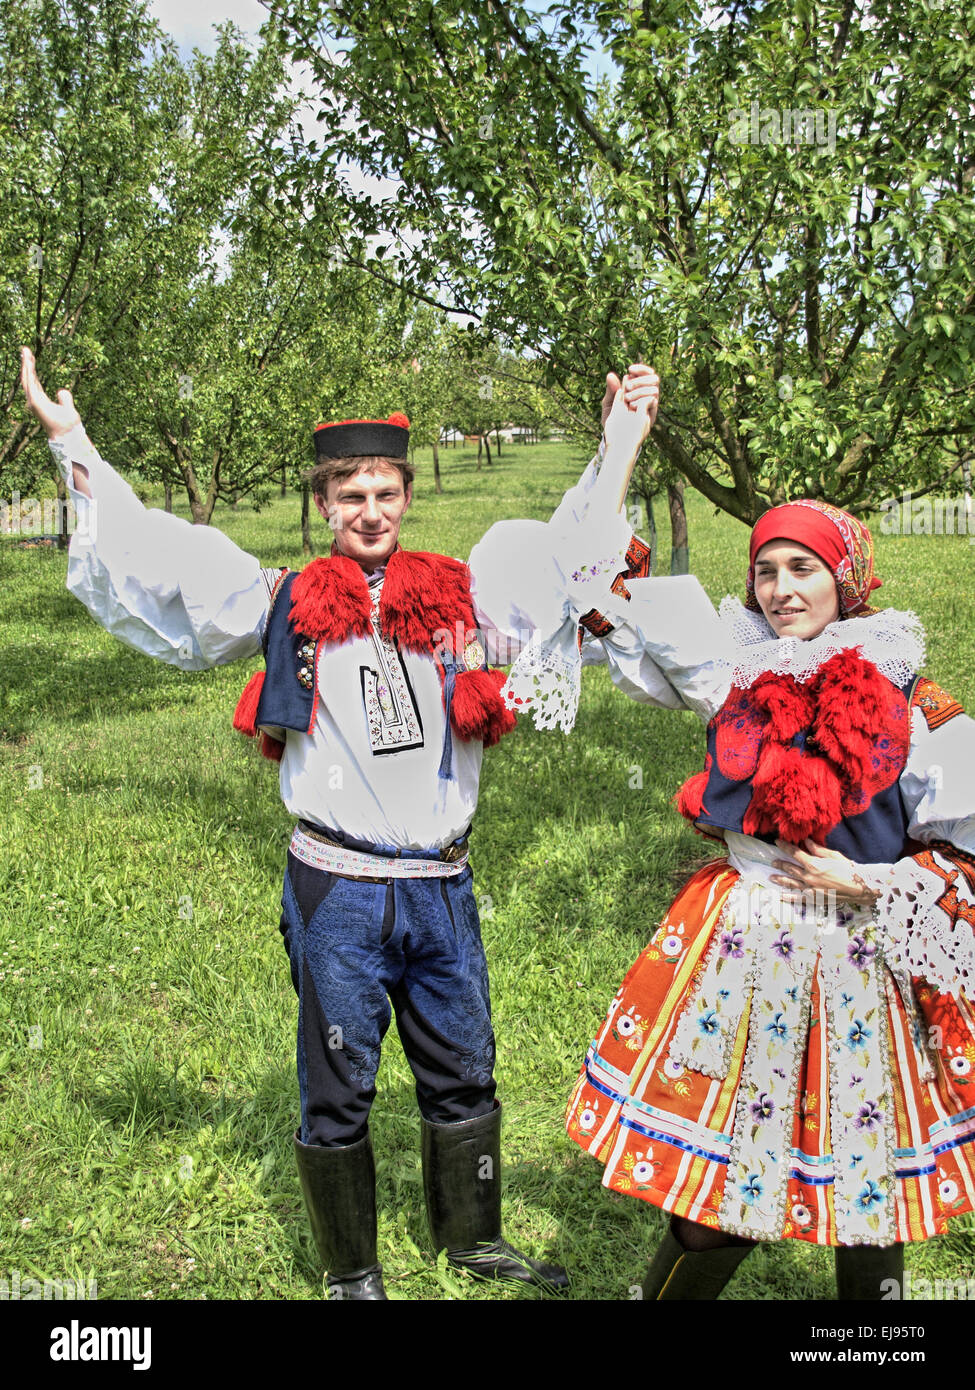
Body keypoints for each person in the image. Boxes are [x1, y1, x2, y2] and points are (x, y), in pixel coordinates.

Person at [20, 345, 658, 1301]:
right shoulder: (280, 601)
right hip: (340, 887)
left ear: (405, 497)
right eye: (350, 494)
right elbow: (153, 554)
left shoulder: (461, 603)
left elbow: (566, 553)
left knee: (464, 1062)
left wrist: (620, 443)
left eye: (385, 493)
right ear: (325, 504)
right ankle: (350, 1270)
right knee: (339, 1073)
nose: (370, 511)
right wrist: (72, 439)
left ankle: (472, 1242)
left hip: (442, 882)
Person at [564, 380, 975, 1300]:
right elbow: (595, 590)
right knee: (717, 1195)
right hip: (742, 949)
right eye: (766, 570)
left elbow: (967, 849)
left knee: (867, 1196)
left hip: (862, 959)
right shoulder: (728, 667)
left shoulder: (915, 704)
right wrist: (623, 439)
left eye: (803, 569)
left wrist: (875, 882)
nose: (782, 590)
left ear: (846, 580)